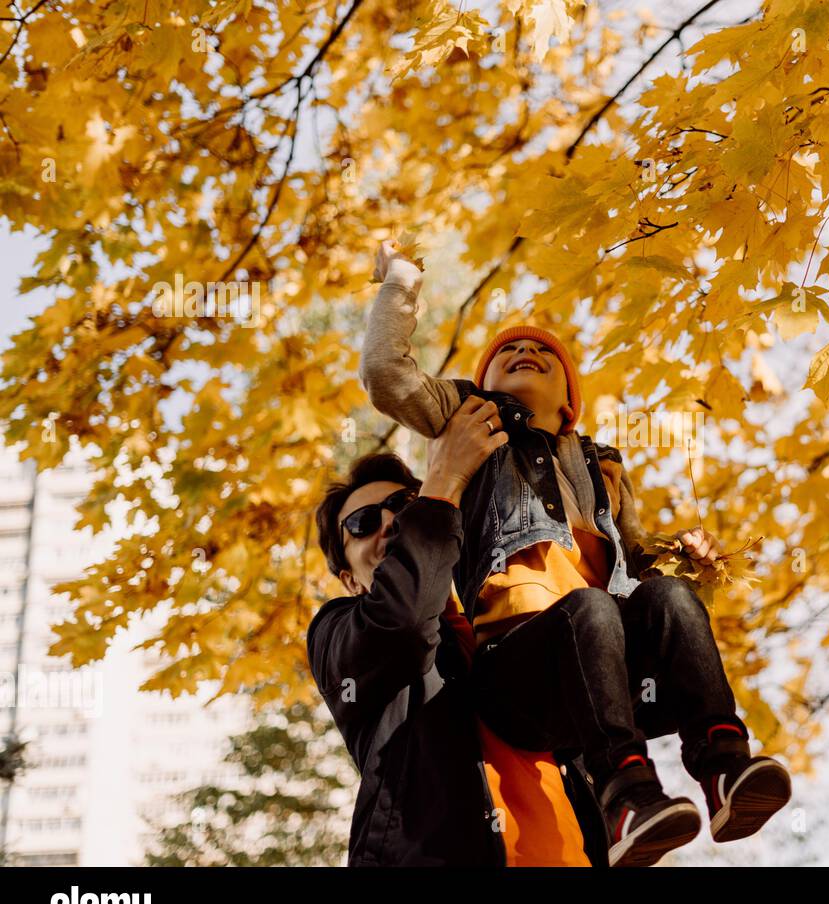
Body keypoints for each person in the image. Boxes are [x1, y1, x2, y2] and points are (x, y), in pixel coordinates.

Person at [357, 241, 791, 866]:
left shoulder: (602, 468)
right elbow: (385, 374)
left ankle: (722, 765)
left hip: (601, 673)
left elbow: (636, 564)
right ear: (479, 386)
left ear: (570, 399)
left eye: (543, 353)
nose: (524, 352)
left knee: (669, 597)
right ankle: (626, 795)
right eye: (507, 351)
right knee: (588, 609)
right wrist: (400, 281)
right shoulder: (473, 421)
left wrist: (686, 559)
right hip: (516, 673)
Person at [308, 401, 611, 866]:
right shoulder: (338, 632)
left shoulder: (502, 614)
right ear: (348, 578)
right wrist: (444, 481)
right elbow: (403, 622)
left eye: (401, 506)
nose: (388, 523)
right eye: (362, 524)